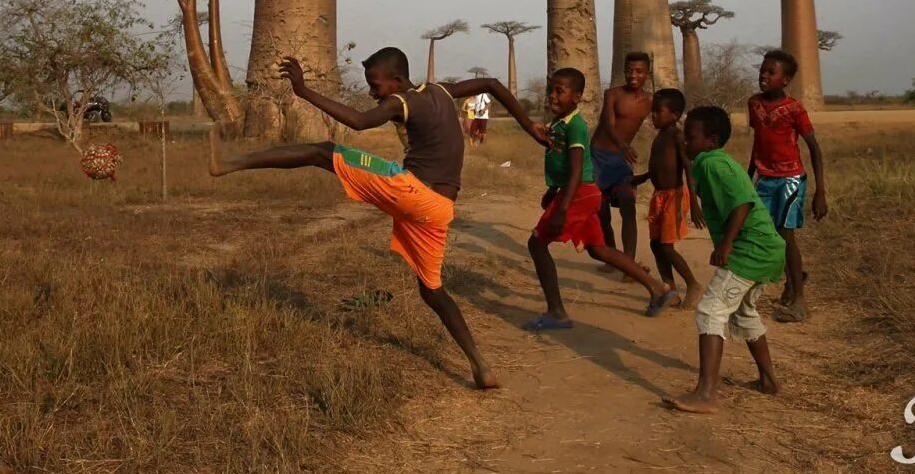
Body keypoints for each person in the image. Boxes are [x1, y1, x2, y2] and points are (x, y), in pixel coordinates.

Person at [207, 47, 536, 390]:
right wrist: (530, 127)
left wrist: (303, 91)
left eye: (375, 86)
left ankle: (230, 163)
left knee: (322, 151)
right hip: (440, 210)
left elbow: (360, 122)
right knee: (432, 289)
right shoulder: (441, 91)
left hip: (411, 193)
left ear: (396, 80)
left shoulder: (402, 101)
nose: (372, 93)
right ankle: (482, 367)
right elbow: (494, 84)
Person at [524, 67, 682, 331]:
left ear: (576, 97)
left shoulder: (576, 125)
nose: (552, 95)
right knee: (599, 250)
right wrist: (553, 192)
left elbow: (577, 170)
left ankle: (556, 312)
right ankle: (658, 288)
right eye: (551, 89)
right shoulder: (560, 123)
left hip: (580, 193)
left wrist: (561, 208)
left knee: (537, 245)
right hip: (581, 193)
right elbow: (565, 166)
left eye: (559, 91)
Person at [664, 105, 786, 414]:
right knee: (742, 313)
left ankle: (706, 393)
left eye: (690, 137)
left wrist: (726, 245)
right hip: (765, 249)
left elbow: (742, 203)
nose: (685, 143)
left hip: (750, 250)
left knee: (710, 310)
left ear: (711, 139)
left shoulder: (711, 163)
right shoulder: (714, 161)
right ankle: (769, 380)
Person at [748, 49, 828, 322]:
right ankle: (795, 278)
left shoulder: (794, 108)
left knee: (786, 236)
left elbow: (814, 149)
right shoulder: (754, 104)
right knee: (765, 235)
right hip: (765, 178)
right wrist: (749, 179)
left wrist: (820, 192)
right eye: (762, 70)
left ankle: (799, 301)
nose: (764, 75)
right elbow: (757, 143)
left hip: (790, 179)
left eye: (771, 72)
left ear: (786, 79)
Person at [632, 87, 705, 309]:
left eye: (658, 111)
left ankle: (693, 284)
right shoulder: (660, 136)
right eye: (652, 111)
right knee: (655, 244)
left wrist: (693, 200)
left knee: (666, 246)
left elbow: (686, 167)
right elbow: (659, 166)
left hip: (674, 195)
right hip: (659, 196)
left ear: (674, 114)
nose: (653, 115)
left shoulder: (676, 135)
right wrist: (641, 178)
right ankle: (669, 289)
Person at [592, 52, 652, 268]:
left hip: (621, 162)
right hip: (599, 157)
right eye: (629, 70)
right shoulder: (613, 94)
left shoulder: (650, 101)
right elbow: (607, 124)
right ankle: (612, 258)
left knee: (628, 205)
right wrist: (623, 145)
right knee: (601, 211)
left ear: (647, 73)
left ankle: (629, 263)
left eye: (638, 71)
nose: (633, 75)